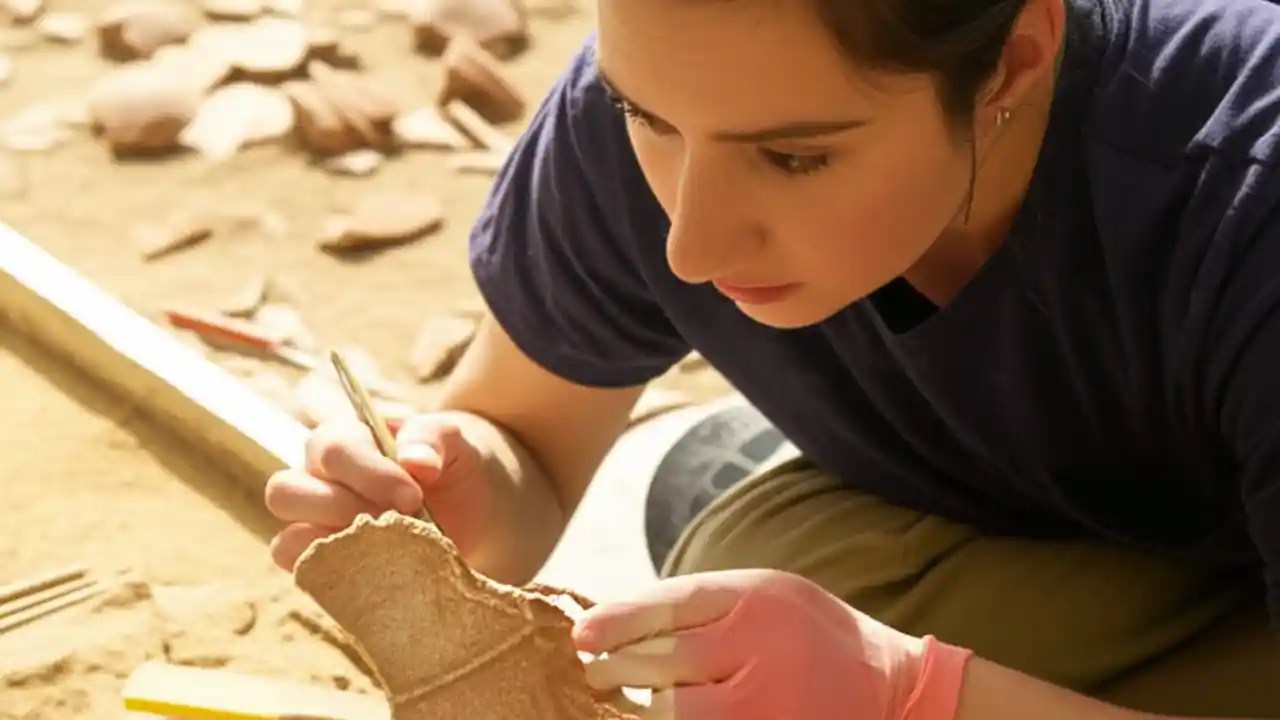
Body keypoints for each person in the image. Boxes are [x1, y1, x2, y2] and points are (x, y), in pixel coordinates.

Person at [262, 0, 1280, 716]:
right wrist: (462, 489)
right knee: (735, 600)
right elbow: (522, 441)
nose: (690, 247)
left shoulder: (1247, 200)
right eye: (648, 119)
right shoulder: (665, 96)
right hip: (1073, 515)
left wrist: (911, 695)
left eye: (794, 158)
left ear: (1012, 64)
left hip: (1227, 572)